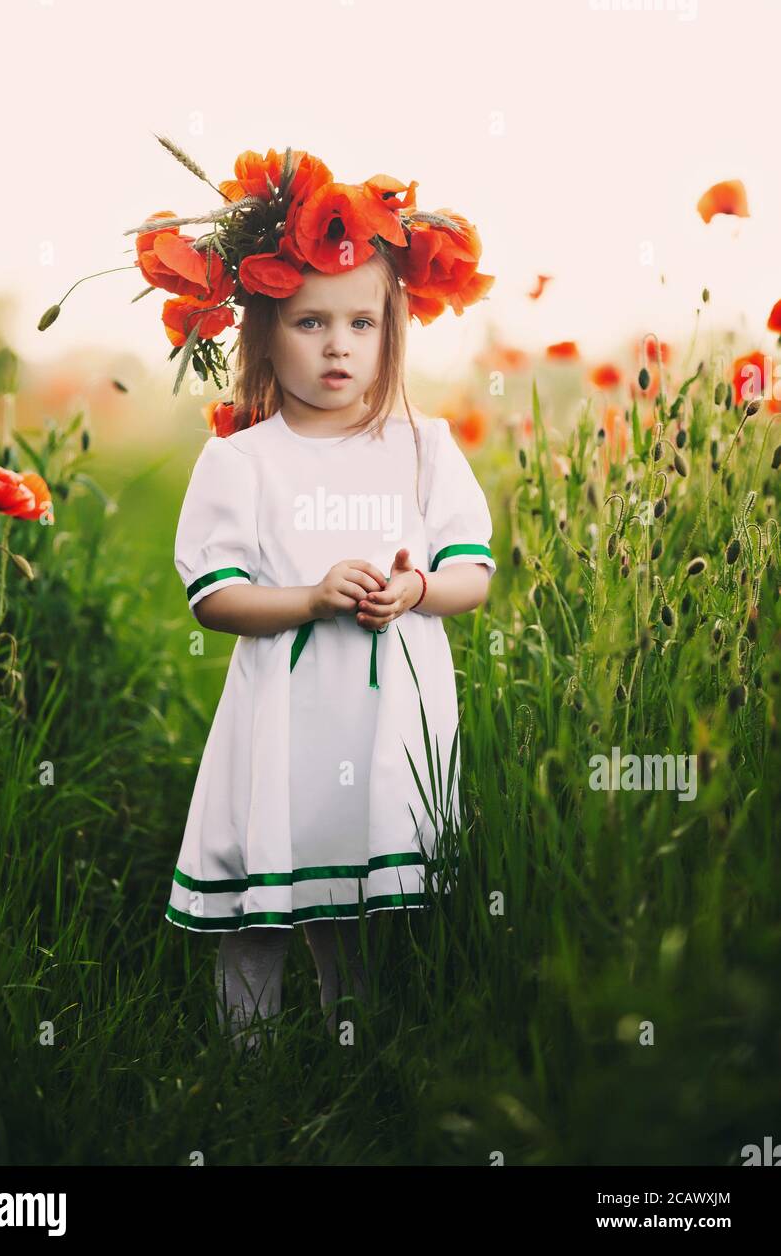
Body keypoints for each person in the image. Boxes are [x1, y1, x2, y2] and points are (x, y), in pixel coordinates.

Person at [163, 149, 497, 1054]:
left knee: (349, 888)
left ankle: (354, 1052)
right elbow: (217, 599)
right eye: (311, 321)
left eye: (362, 322)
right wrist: (310, 597)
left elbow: (475, 573)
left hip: (385, 715)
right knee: (266, 876)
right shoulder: (242, 460)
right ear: (265, 334)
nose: (339, 344)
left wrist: (416, 587)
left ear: (393, 333)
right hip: (286, 711)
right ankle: (248, 1062)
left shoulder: (425, 450)